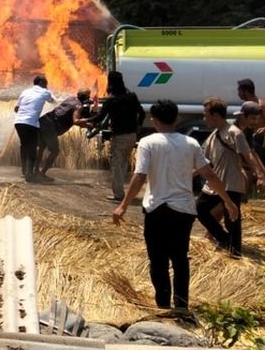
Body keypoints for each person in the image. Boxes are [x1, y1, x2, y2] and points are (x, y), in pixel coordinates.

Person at [113, 99, 240, 312]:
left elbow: (140, 176)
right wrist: (227, 201)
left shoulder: (148, 142)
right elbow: (210, 175)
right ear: (176, 119)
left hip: (157, 209)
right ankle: (182, 306)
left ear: (154, 120)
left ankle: (163, 305)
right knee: (180, 259)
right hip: (183, 211)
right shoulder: (190, 143)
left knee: (158, 260)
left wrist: (123, 205)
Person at [196, 97, 265, 258]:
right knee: (200, 210)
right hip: (215, 184)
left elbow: (248, 155)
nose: (204, 118)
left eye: (206, 115)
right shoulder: (214, 135)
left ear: (216, 116)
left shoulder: (235, 133)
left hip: (232, 183)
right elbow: (205, 163)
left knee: (232, 220)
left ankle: (235, 252)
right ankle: (225, 239)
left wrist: (260, 174)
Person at [97, 71, 144, 202]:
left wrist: (84, 120)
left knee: (116, 165)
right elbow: (141, 113)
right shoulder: (132, 96)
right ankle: (122, 191)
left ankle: (118, 195)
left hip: (119, 136)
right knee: (123, 163)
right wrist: (138, 126)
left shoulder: (111, 100)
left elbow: (99, 118)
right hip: (132, 135)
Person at [36, 88, 93, 180]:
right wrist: (91, 120)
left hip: (44, 120)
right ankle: (42, 174)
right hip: (51, 126)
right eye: (88, 96)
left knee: (41, 147)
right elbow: (76, 121)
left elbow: (68, 115)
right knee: (55, 151)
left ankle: (34, 171)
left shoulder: (70, 98)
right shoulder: (79, 106)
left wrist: (86, 125)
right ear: (86, 97)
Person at [13, 75, 55, 182]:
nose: (46, 86)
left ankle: (24, 171)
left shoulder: (25, 92)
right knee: (32, 148)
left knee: (24, 145)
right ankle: (29, 174)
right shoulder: (45, 92)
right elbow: (52, 101)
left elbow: (16, 108)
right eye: (46, 84)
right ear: (41, 83)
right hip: (31, 124)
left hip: (18, 123)